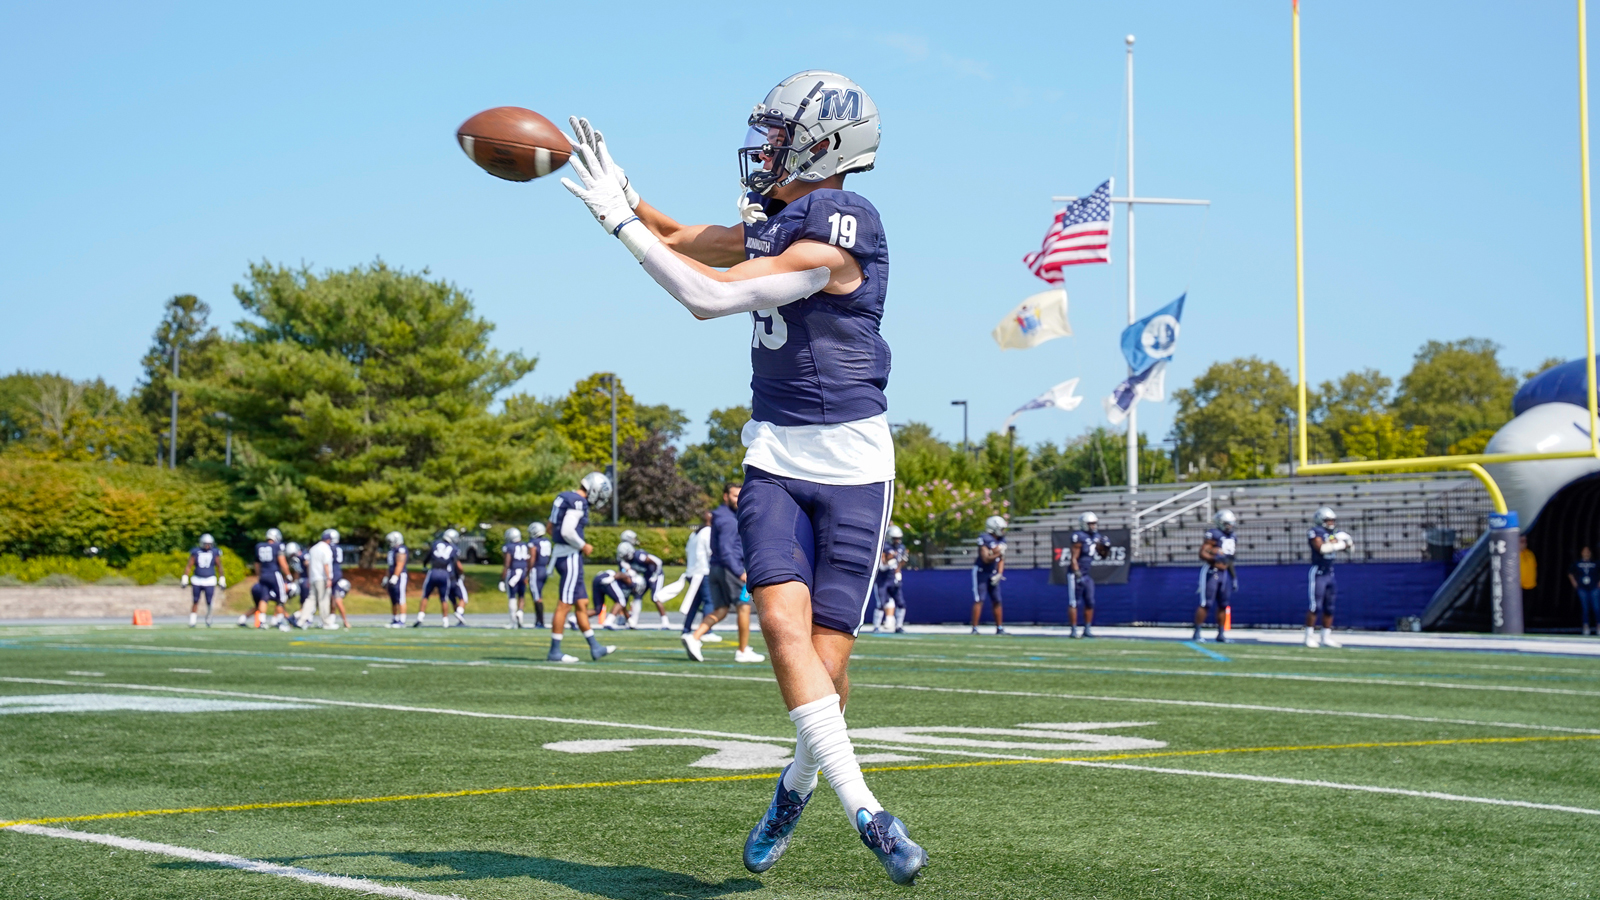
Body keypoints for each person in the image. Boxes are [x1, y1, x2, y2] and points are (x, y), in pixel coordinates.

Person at [563, 71, 924, 884]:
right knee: (781, 630)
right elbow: (692, 239)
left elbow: (706, 294)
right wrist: (630, 197)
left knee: (828, 664)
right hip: (775, 457)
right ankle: (869, 811)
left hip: (856, 463)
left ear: (823, 147)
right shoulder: (778, 220)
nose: (762, 150)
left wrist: (622, 225)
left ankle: (796, 784)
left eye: (778, 136)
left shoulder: (841, 225)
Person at [683, 483, 762, 664]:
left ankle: (694, 637)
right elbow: (727, 550)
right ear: (725, 496)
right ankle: (742, 651)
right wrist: (739, 572)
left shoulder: (722, 516)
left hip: (716, 568)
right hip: (729, 569)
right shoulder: (728, 520)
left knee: (721, 609)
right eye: (734, 496)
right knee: (744, 606)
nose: (738, 499)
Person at [545, 472, 618, 663]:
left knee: (582, 603)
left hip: (564, 555)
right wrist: (583, 545)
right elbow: (567, 531)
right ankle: (554, 651)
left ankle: (595, 647)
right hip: (569, 556)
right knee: (564, 604)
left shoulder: (563, 497)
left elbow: (550, 528)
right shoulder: (578, 502)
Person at [1306, 507, 1351, 648]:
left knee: (1329, 607)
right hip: (1318, 572)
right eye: (1328, 520)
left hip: (1330, 573)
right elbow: (1322, 548)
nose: (1331, 522)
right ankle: (1308, 636)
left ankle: (1325, 636)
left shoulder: (1335, 533)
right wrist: (1340, 544)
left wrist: (1347, 543)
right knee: (1315, 606)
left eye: (1332, 520)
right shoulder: (1315, 531)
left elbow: (1350, 549)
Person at [1195, 510, 1238, 643]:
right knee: (1206, 603)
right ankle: (1197, 633)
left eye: (1231, 523)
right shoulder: (1214, 534)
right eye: (1227, 523)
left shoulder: (1232, 537)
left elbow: (1229, 560)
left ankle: (1221, 634)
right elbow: (1202, 553)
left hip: (1224, 573)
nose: (1229, 526)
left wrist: (1234, 577)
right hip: (1211, 571)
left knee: (1223, 605)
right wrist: (1215, 557)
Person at [1067, 512, 1111, 639]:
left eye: (1094, 523)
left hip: (1087, 574)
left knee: (1090, 602)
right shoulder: (1079, 536)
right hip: (1076, 574)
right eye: (1090, 523)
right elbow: (1073, 558)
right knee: (1074, 602)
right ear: (1084, 524)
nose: (1093, 526)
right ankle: (1074, 630)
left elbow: (1102, 556)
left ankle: (1087, 629)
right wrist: (1077, 574)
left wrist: (1105, 548)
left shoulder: (1096, 536)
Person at [618, 540, 673, 630]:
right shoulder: (626, 561)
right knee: (637, 597)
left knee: (655, 597)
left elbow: (658, 562)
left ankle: (665, 622)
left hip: (656, 575)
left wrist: (655, 575)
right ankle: (633, 622)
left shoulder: (639, 556)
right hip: (645, 577)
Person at [245, 528, 290, 629]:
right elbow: (282, 561)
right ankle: (280, 620)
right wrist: (288, 574)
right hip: (274, 574)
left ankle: (262, 621)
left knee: (263, 598)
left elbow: (257, 564)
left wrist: (259, 575)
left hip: (263, 575)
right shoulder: (277, 546)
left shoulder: (259, 546)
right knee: (281, 598)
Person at [415, 529, 462, 627]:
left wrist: (424, 565)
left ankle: (420, 617)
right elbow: (454, 563)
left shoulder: (436, 544)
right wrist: (457, 575)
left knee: (425, 595)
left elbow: (428, 556)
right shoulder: (454, 548)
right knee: (444, 598)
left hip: (433, 571)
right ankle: (445, 621)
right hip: (444, 573)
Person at [971, 516, 1008, 635]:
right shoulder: (984, 538)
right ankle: (975, 628)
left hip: (993, 572)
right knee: (979, 599)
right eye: (1001, 528)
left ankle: (999, 628)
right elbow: (986, 558)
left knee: (997, 600)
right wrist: (997, 553)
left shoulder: (1001, 540)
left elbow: (1001, 559)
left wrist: (1000, 573)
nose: (1003, 531)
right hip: (981, 571)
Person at [182, 534, 226, 627]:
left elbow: (219, 566)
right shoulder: (196, 551)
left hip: (210, 579)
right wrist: (185, 578)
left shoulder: (215, 552)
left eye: (209, 544)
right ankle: (193, 620)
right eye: (206, 544)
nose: (207, 546)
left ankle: (209, 617)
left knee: (209, 601)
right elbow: (189, 565)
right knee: (195, 600)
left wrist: (222, 579)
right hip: (197, 579)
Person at [872, 525, 907, 633]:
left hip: (893, 579)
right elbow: (882, 566)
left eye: (898, 538)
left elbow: (900, 563)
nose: (897, 540)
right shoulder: (884, 546)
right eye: (895, 538)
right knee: (881, 604)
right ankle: (876, 626)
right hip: (882, 579)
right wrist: (889, 560)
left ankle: (899, 626)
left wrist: (899, 568)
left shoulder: (901, 547)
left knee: (901, 603)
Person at [304, 530, 336, 629]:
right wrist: (329, 578)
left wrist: (309, 578)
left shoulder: (313, 548)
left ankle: (301, 620)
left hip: (313, 577)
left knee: (311, 600)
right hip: (322, 578)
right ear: (329, 540)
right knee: (324, 600)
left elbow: (309, 565)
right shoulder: (326, 548)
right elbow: (326, 564)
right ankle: (326, 622)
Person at [501, 527, 532, 629]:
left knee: (512, 596)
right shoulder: (525, 545)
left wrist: (502, 579)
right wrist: (527, 574)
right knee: (521, 595)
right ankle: (520, 613)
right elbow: (529, 560)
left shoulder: (509, 547)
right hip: (523, 572)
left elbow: (507, 563)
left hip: (513, 573)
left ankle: (513, 621)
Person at [1570, 546, 1599, 635]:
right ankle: (1586, 626)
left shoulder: (1595, 562)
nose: (1586, 553)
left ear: (1590, 553)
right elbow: (1570, 572)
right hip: (1582, 588)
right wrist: (1574, 582)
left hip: (1594, 588)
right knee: (1585, 608)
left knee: (1596, 607)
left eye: (1588, 551)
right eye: (1584, 551)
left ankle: (1598, 626)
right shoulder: (1577, 563)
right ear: (1581, 553)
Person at [528, 522, 552, 628]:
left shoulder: (534, 542)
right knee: (538, 595)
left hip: (536, 570)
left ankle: (540, 621)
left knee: (537, 596)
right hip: (544, 569)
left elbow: (532, 557)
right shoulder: (547, 541)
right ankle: (539, 621)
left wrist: (528, 571)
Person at [384, 531, 409, 628]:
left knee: (401, 597)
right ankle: (395, 619)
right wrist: (387, 577)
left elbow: (400, 564)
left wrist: (395, 576)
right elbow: (390, 565)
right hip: (392, 574)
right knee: (393, 598)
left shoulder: (401, 549)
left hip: (400, 575)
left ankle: (402, 620)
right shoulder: (392, 550)